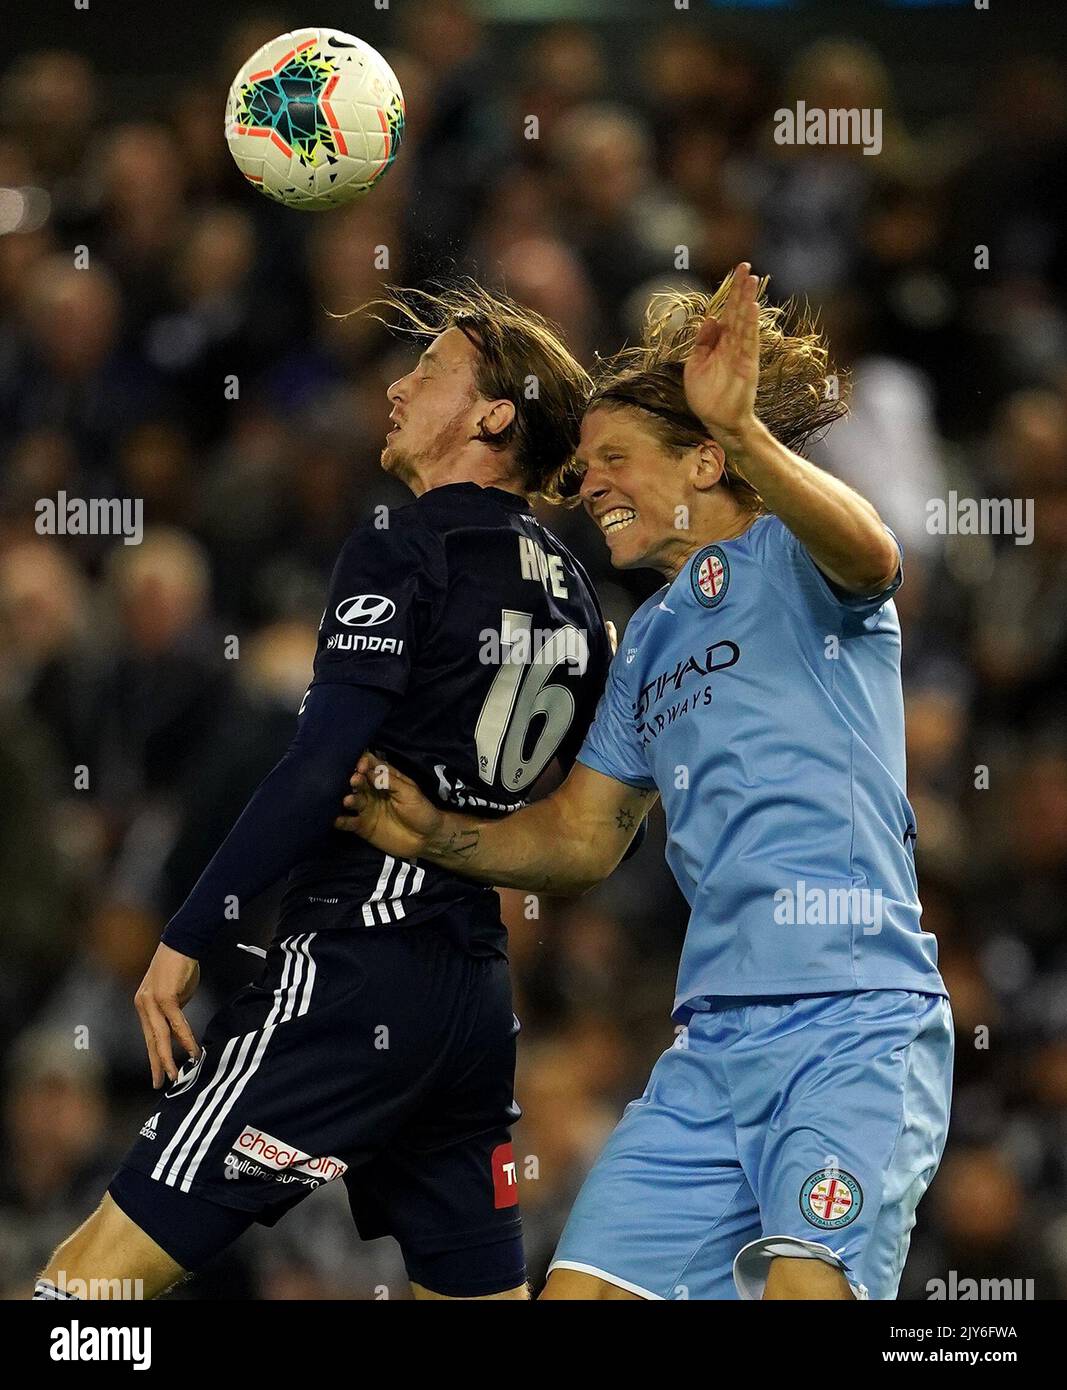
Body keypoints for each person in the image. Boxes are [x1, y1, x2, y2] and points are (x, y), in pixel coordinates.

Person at [337, 264, 954, 1301]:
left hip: (852, 1022)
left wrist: (751, 431)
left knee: (809, 1289)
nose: (586, 486)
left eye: (610, 458)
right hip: (712, 1047)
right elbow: (580, 838)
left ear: (704, 462)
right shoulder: (648, 644)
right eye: (577, 468)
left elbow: (873, 554)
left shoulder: (798, 561)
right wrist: (429, 830)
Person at [34, 282, 611, 1302]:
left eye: (427, 370)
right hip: (472, 994)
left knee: (83, 1288)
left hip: (351, 971)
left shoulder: (403, 546)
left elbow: (317, 769)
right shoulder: (574, 592)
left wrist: (188, 935)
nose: (394, 386)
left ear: (491, 415)